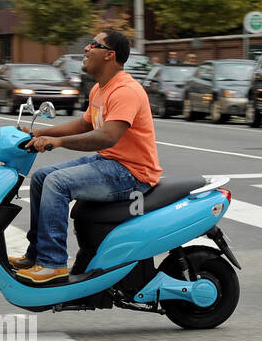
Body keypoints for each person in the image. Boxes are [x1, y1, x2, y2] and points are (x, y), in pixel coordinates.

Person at [11, 30, 162, 283]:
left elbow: (107, 137)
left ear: (109, 55)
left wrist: (58, 142)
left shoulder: (126, 91)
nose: (86, 49)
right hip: (109, 162)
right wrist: (39, 133)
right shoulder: (99, 89)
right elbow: (84, 124)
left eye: (93, 45)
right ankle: (36, 254)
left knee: (56, 183)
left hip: (133, 173)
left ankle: (53, 264)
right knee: (41, 177)